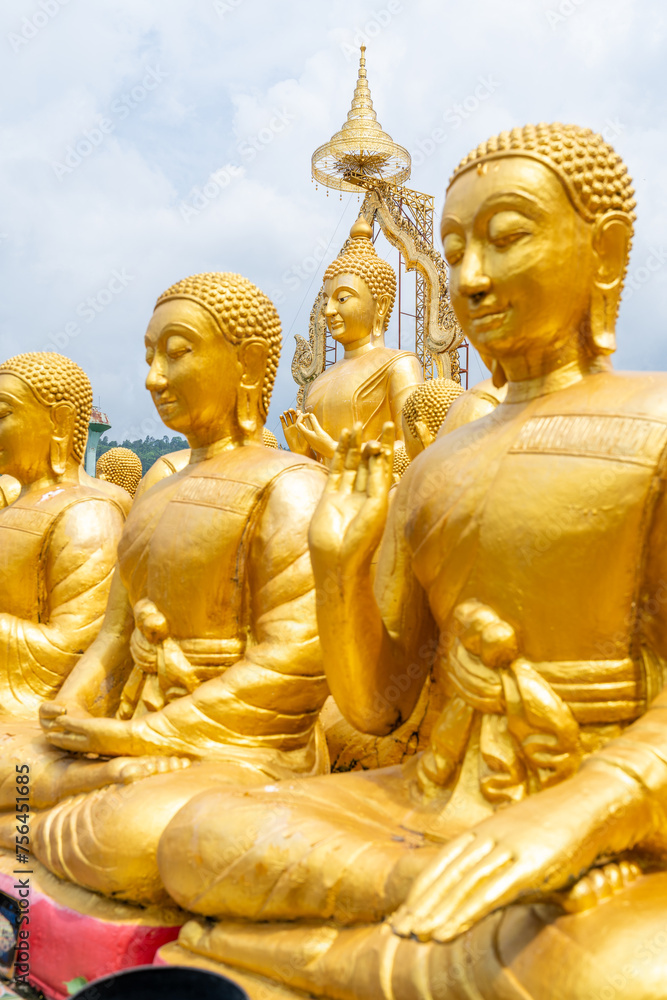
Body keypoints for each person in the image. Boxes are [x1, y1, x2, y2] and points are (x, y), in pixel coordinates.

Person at [158, 126, 667, 999]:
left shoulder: (655, 422)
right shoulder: (436, 468)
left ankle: (320, 948)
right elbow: (378, 703)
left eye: (506, 239)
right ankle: (458, 921)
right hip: (427, 801)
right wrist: (337, 568)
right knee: (194, 836)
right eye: (456, 250)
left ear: (606, 252)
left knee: (621, 976)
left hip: (599, 805)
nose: (470, 279)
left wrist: (571, 818)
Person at [0, 273, 329, 908]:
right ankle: (58, 806)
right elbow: (113, 637)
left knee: (132, 834)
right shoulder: (159, 488)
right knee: (25, 756)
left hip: (236, 746)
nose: (153, 377)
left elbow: (296, 660)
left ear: (249, 362)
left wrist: (150, 736)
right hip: (131, 734)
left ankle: (41, 822)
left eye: (176, 353)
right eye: (149, 356)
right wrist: (70, 714)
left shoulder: (289, 484)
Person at [281, 216, 423, 464]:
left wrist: (335, 450)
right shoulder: (319, 382)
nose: (329, 311)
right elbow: (317, 464)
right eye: (327, 300)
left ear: (381, 306)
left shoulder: (399, 365)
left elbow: (411, 450)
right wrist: (303, 452)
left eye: (343, 298)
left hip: (374, 496)